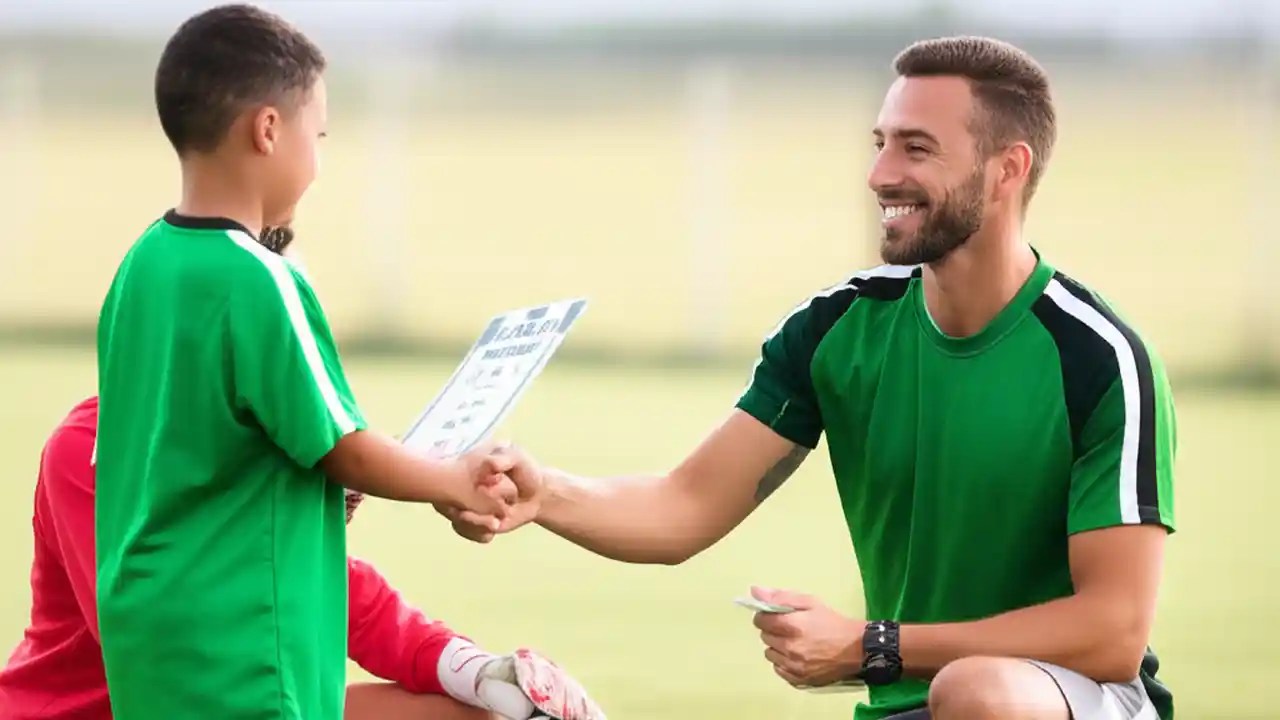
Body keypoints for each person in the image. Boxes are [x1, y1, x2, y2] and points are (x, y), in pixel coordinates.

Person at [443, 36, 1177, 720]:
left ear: (1007, 170)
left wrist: (873, 646)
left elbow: (1111, 633)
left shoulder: (1097, 359)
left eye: (917, 148)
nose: (882, 174)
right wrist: (546, 496)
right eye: (881, 144)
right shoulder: (836, 331)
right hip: (914, 701)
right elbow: (682, 506)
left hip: (1072, 700)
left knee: (977, 689)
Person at [93, 5, 536, 718]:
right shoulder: (261, 277)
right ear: (269, 129)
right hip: (247, 643)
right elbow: (343, 448)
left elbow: (201, 444)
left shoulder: (142, 264)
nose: (319, 159)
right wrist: (451, 477)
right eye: (317, 134)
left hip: (152, 633)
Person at [0, 397, 606, 720]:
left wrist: (482, 674)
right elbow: (155, 644)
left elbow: (337, 592)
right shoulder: (92, 442)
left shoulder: (265, 441)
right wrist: (281, 508)